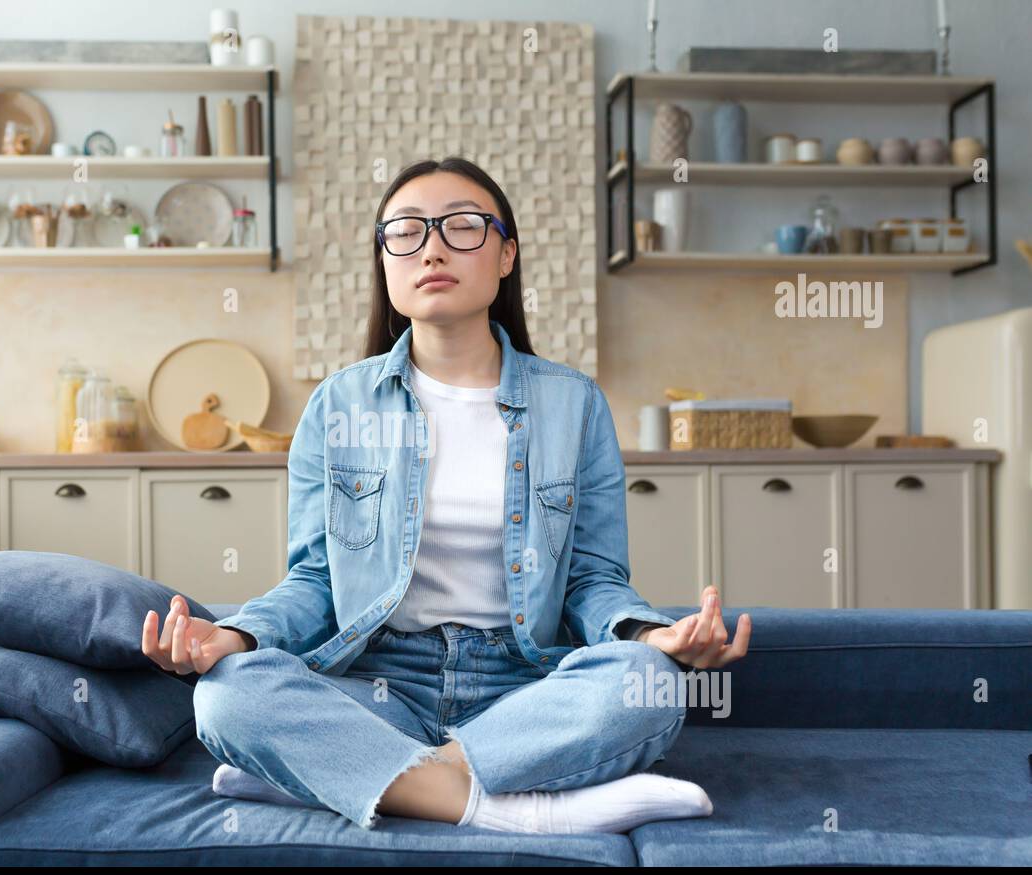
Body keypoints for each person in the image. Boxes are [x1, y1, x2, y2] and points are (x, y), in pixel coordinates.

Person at [142, 156, 750, 834]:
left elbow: (592, 579)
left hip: (522, 687)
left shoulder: (573, 405)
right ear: (385, 260)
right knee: (229, 696)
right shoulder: (338, 404)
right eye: (405, 231)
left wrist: (649, 631)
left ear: (506, 253)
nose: (431, 246)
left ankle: (356, 776)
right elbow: (315, 580)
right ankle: (512, 808)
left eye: (461, 227)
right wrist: (235, 634)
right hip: (381, 685)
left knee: (650, 684)